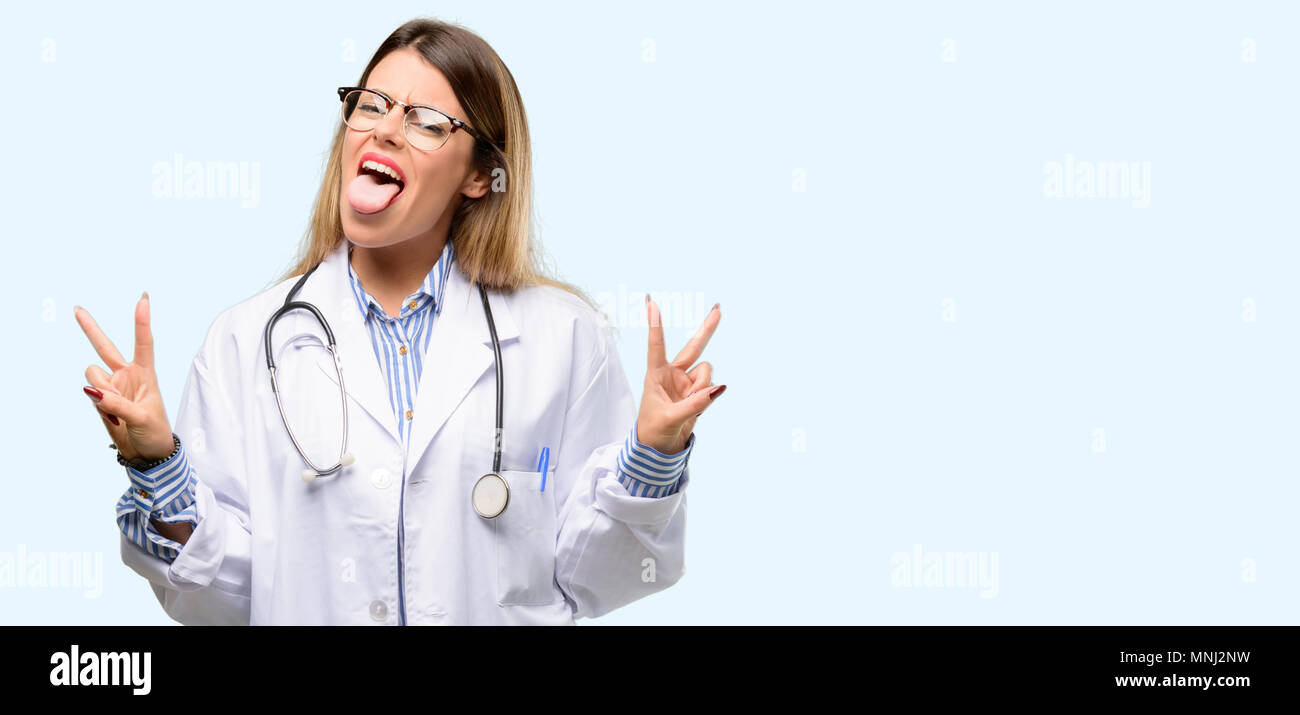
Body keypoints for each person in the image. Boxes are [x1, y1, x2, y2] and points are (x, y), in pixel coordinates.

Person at [74, 18, 724, 625]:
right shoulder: (245, 341)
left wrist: (654, 455)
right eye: (371, 105)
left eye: (426, 122)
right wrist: (155, 461)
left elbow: (594, 574)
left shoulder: (565, 336)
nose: (384, 129)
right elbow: (224, 595)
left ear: (478, 176)